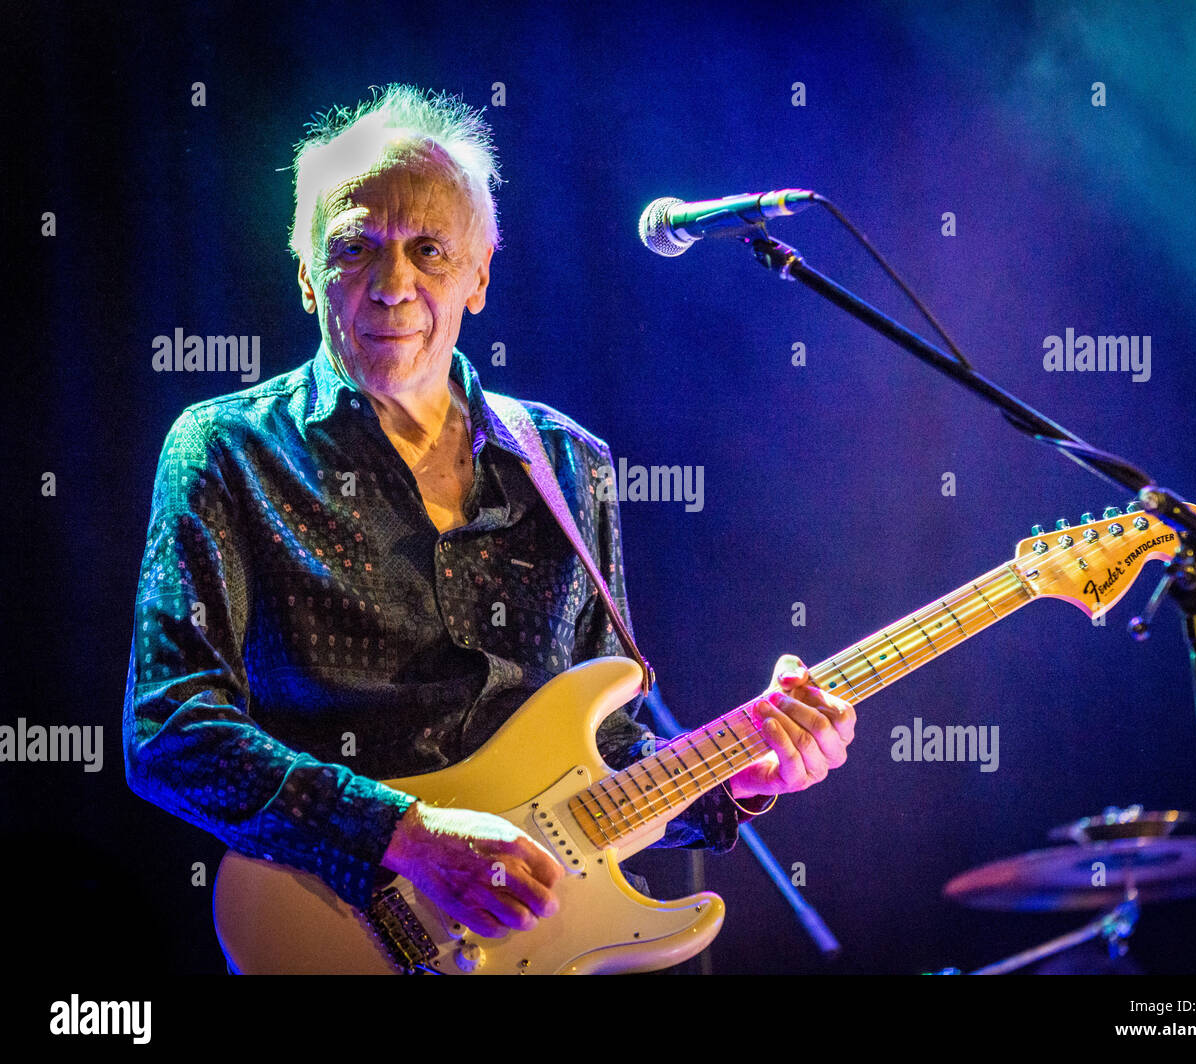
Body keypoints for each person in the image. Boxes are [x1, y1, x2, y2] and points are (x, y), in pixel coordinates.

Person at [124, 83, 855, 952]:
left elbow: (608, 759)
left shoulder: (567, 460)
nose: (392, 285)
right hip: (332, 932)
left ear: (479, 275)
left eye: (429, 250)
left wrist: (742, 772)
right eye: (355, 247)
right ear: (306, 275)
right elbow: (169, 730)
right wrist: (407, 839)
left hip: (541, 941)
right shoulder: (224, 449)